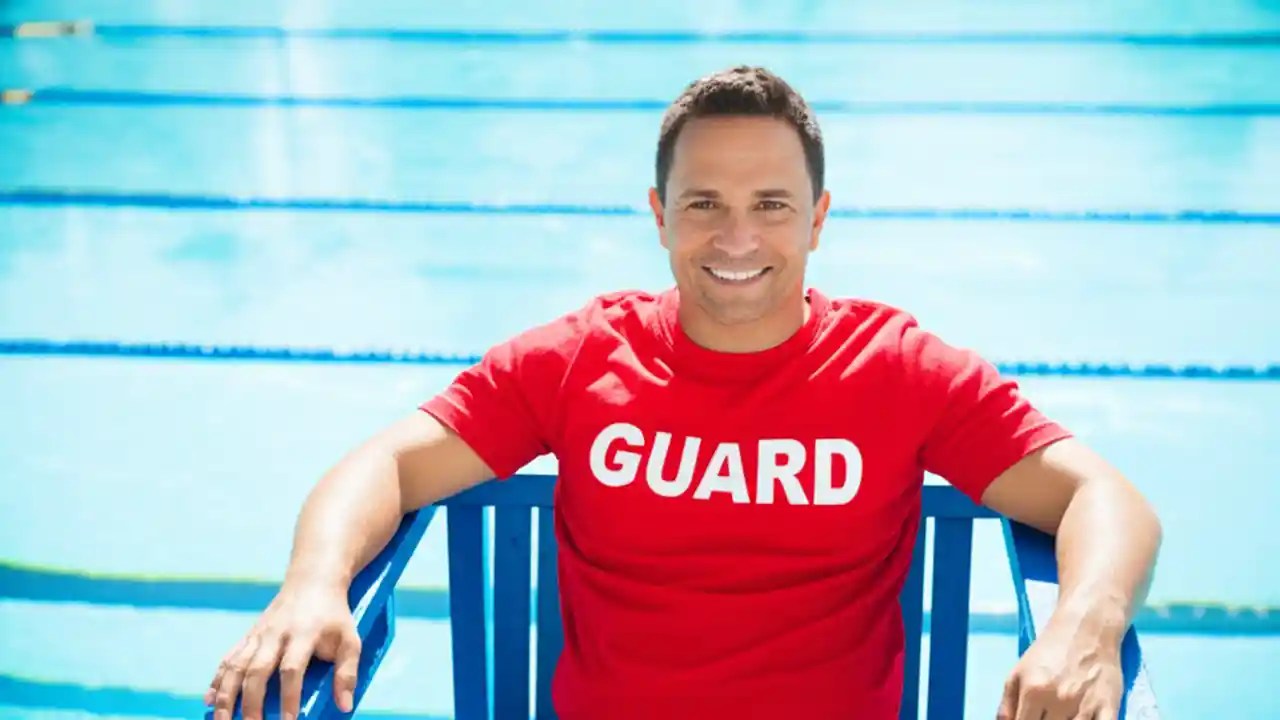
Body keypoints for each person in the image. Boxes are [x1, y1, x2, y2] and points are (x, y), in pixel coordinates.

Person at [204, 66, 1162, 720]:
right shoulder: (583, 357)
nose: (736, 239)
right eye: (704, 203)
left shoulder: (894, 366)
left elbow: (1101, 496)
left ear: (818, 221)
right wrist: (313, 585)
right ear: (660, 216)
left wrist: (1085, 624)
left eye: (771, 206)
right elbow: (389, 463)